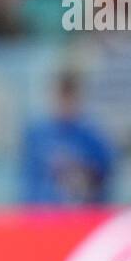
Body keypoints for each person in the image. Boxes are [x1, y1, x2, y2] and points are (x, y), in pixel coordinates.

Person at [19, 71, 115, 205]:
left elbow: (105, 177)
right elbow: (30, 180)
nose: (65, 104)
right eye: (61, 97)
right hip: (44, 216)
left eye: (70, 97)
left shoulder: (92, 135)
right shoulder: (38, 134)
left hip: (80, 216)